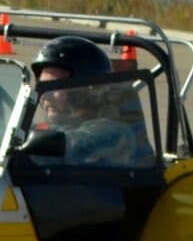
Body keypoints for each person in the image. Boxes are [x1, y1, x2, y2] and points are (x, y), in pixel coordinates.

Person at [27, 36, 153, 167]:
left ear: (86, 91)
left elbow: (71, 146)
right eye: (42, 86)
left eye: (54, 87)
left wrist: (24, 145)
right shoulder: (56, 128)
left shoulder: (113, 134)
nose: (45, 96)